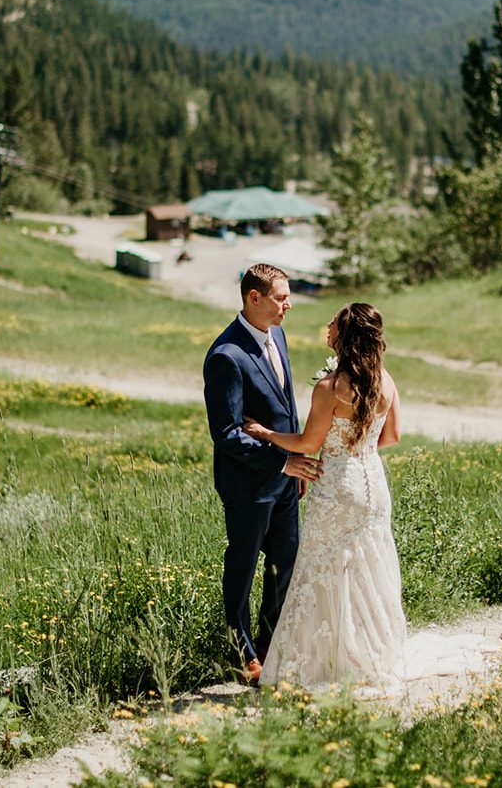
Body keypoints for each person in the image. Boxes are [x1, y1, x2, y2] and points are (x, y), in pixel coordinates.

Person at [242, 302, 408, 693]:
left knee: (324, 570)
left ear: (343, 337)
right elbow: (392, 437)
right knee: (368, 568)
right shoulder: (385, 381)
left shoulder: (331, 388)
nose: (327, 328)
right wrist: (359, 447)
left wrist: (265, 434)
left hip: (337, 486)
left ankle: (324, 661)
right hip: (373, 485)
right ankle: (369, 654)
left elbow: (307, 443)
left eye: (332, 325)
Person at [203, 264, 323, 684]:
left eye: (287, 296)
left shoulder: (279, 336)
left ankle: (271, 649)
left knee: (283, 565)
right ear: (253, 298)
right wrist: (281, 462)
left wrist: (296, 464)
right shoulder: (225, 356)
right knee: (243, 567)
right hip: (248, 485)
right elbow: (227, 434)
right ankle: (243, 654)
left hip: (287, 480)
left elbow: (286, 406)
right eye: (280, 297)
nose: (287, 304)